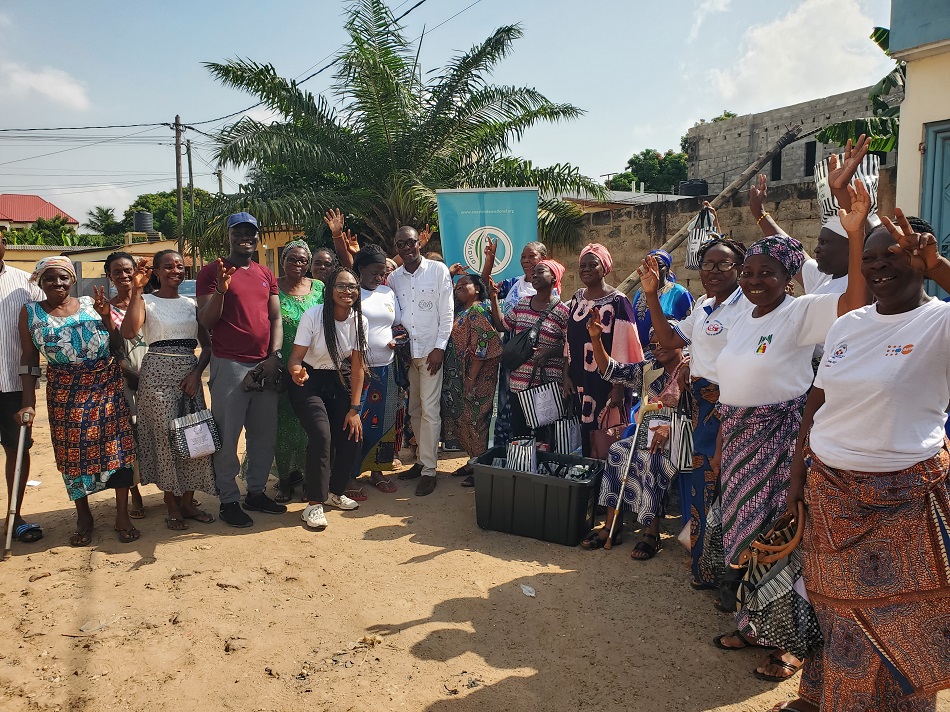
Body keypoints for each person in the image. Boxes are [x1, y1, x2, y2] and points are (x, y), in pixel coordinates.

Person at [775, 213, 950, 712]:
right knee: (836, 613)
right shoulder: (849, 324)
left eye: (890, 255)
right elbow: (818, 401)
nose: (876, 268)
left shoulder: (939, 321)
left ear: (920, 255)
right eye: (868, 258)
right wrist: (796, 477)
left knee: (905, 619)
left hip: (908, 501)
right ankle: (825, 696)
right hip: (831, 494)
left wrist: (940, 268)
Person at [707, 182, 870, 682]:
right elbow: (731, 388)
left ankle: (788, 649)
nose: (756, 281)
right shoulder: (743, 318)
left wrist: (858, 234)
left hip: (778, 444)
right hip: (736, 442)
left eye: (768, 273)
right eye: (750, 273)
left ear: (787, 278)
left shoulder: (799, 313)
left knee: (779, 540)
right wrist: (718, 448)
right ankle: (754, 626)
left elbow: (855, 299)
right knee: (749, 541)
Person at [640, 233, 749, 583]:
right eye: (707, 265)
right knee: (705, 487)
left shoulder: (748, 305)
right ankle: (707, 567)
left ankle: (733, 577)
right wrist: (650, 295)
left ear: (739, 268)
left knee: (731, 488)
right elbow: (671, 339)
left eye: (723, 264)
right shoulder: (703, 304)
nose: (713, 270)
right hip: (701, 407)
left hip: (732, 406)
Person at [17, 257, 138, 545]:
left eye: (63, 278)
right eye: (50, 278)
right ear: (40, 282)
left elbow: (117, 344)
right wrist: (27, 402)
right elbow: (29, 360)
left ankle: (123, 515)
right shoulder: (30, 312)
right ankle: (84, 515)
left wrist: (107, 318)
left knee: (117, 449)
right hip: (63, 392)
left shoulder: (90, 303)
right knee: (72, 455)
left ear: (72, 279)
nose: (57, 283)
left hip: (105, 385)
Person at [196, 212, 284, 528]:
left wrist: (274, 356)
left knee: (263, 436)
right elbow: (206, 321)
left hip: (265, 364)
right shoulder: (212, 271)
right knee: (228, 434)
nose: (246, 237)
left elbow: (275, 318)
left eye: (251, 232)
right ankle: (229, 499)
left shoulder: (265, 273)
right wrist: (221, 290)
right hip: (229, 363)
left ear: (258, 237)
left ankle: (256, 492)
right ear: (229, 236)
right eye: (239, 232)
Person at [121, 251, 216, 530]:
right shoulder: (146, 300)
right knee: (165, 439)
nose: (175, 270)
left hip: (189, 375)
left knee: (194, 436)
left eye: (179, 266)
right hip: (156, 376)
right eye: (168, 266)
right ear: (156, 272)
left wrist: (196, 374)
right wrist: (137, 289)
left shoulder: (191, 304)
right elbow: (128, 331)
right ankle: (171, 504)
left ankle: (188, 502)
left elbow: (208, 346)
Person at [581, 308, 686, 558]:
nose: (658, 347)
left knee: (654, 459)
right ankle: (612, 526)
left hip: (681, 435)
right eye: (653, 343)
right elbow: (611, 370)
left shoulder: (693, 368)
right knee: (618, 451)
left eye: (663, 341)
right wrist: (596, 339)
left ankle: (651, 532)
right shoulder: (649, 368)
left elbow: (703, 409)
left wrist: (671, 427)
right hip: (646, 434)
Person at [288, 267, 368, 530]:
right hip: (309, 381)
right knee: (322, 435)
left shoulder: (359, 320)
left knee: (350, 434)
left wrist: (354, 408)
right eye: (342, 286)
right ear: (330, 289)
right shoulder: (313, 316)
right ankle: (313, 504)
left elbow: (357, 367)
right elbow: (295, 358)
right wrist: (296, 372)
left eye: (353, 287)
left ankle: (335, 492)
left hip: (340, 378)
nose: (348, 292)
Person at [386, 226, 454, 496]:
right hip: (406, 355)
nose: (406, 248)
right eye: (401, 244)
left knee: (429, 409)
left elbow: (446, 312)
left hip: (430, 353)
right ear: (397, 246)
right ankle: (420, 460)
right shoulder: (394, 279)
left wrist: (439, 347)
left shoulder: (438, 272)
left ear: (419, 244)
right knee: (413, 409)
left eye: (411, 242)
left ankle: (429, 469)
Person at [564, 243, 643, 456]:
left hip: (607, 383)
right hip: (581, 382)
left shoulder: (618, 302)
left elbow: (627, 346)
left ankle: (609, 482)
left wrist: (618, 385)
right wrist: (567, 374)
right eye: (582, 265)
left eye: (592, 264)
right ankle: (590, 479)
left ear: (605, 267)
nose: (586, 269)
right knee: (587, 432)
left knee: (609, 434)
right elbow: (569, 339)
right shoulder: (577, 299)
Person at [488, 260, 569, 443]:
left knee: (545, 438)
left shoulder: (563, 312)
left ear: (554, 277)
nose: (535, 275)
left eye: (541, 272)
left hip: (547, 385)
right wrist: (494, 297)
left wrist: (549, 352)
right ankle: (523, 470)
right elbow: (502, 325)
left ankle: (543, 471)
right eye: (534, 273)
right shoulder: (523, 304)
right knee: (521, 436)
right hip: (519, 384)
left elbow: (570, 347)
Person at [481, 240, 553, 448]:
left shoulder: (551, 289)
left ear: (543, 259)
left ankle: (534, 457)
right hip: (512, 356)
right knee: (507, 404)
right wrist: (489, 260)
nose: (526, 261)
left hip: (536, 359)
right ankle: (506, 455)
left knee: (534, 409)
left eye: (532, 256)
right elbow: (487, 286)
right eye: (523, 257)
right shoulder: (514, 283)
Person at [0, 233, 44, 544]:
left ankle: (15, 517)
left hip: (14, 386)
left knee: (17, 451)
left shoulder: (24, 283)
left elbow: (37, 340)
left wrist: (29, 395)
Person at [273, 239, 324, 503]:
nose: (297, 264)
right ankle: (283, 479)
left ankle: (306, 478)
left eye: (302, 260)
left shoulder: (319, 288)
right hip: (282, 365)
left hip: (313, 367)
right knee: (283, 425)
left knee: (309, 426)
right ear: (283, 260)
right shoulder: (272, 288)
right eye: (292, 259)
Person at [442, 274, 502, 486]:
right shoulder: (463, 311)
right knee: (465, 418)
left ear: (477, 288)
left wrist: (470, 377)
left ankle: (481, 468)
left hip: (477, 377)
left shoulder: (478, 310)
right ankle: (473, 461)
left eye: (463, 284)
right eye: (456, 285)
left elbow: (483, 346)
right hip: (463, 376)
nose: (458, 287)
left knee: (475, 419)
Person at [352, 244, 403, 494]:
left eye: (383, 272)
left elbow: (399, 324)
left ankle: (377, 471)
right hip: (357, 368)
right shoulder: (351, 293)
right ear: (360, 269)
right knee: (355, 420)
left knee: (383, 421)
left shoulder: (388, 293)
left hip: (386, 368)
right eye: (374, 271)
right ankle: (350, 474)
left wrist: (398, 339)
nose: (380, 277)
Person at [105, 251, 148, 520]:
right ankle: (134, 493)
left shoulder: (147, 302)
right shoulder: (104, 308)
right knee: (129, 436)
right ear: (109, 276)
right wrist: (126, 370)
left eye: (128, 270)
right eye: (117, 272)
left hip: (153, 373)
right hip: (125, 378)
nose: (124, 276)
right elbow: (108, 348)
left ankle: (172, 492)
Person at [630, 249, 694, 349]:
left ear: (667, 269)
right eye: (649, 266)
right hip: (642, 353)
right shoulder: (640, 292)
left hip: (668, 352)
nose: (653, 270)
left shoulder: (679, 293)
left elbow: (690, 327)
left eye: (658, 266)